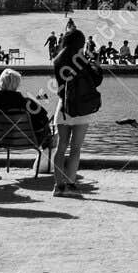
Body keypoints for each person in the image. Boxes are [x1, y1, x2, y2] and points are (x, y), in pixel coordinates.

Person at [51, 28, 103, 196]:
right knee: (75, 149)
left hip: (63, 108)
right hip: (81, 109)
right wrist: (95, 64)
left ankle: (58, 187)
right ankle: (71, 184)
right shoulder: (81, 60)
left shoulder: (57, 60)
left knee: (60, 148)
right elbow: (96, 81)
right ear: (80, 43)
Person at [0, 67, 53, 156]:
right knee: (46, 128)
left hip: (0, 140)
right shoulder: (26, 103)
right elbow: (43, 118)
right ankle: (48, 158)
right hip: (27, 140)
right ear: (17, 84)